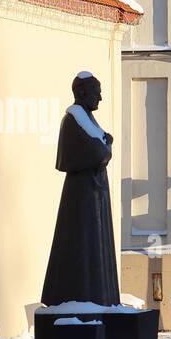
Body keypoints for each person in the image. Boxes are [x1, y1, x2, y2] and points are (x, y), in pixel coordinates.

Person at [41, 72, 121, 307]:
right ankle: (82, 298)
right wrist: (105, 145)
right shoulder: (74, 120)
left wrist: (105, 145)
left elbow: (102, 148)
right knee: (82, 247)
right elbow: (100, 152)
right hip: (82, 199)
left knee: (95, 248)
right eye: (97, 92)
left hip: (93, 195)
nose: (101, 98)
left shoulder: (86, 119)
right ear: (83, 92)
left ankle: (99, 297)